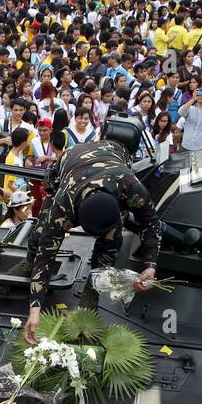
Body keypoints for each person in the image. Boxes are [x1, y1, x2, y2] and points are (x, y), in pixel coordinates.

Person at [23, 139, 163, 338]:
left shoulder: (130, 186)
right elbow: (46, 255)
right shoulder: (63, 205)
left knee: (112, 244)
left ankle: (92, 292)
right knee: (40, 235)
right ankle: (27, 263)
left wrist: (150, 265)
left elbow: (151, 223)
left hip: (114, 151)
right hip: (69, 162)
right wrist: (35, 309)